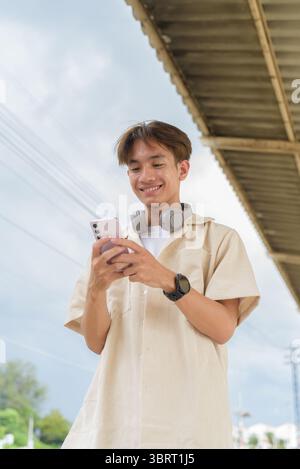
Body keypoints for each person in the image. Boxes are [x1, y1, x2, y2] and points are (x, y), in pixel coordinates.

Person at [61, 120, 260, 449]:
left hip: (189, 428)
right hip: (115, 427)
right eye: (135, 167)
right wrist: (96, 287)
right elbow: (96, 342)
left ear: (182, 169)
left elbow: (224, 328)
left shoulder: (220, 240)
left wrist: (169, 280)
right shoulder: (112, 246)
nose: (146, 177)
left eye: (157, 163)